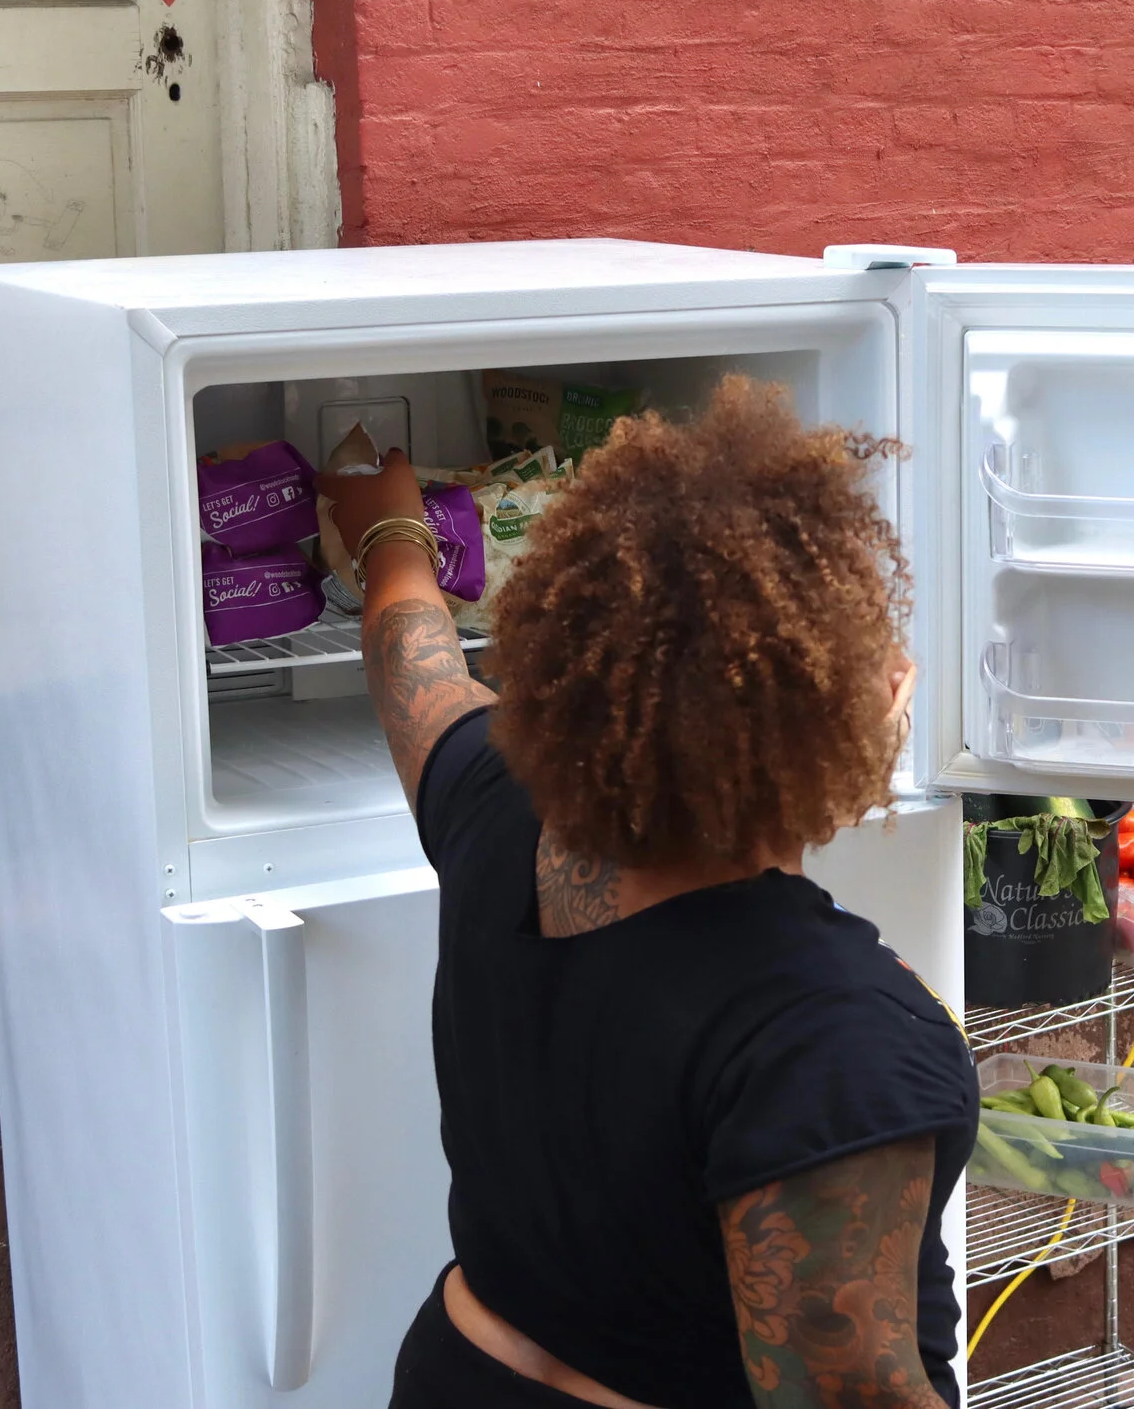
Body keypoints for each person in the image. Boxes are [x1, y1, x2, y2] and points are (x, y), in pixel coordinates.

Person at [321, 376, 976, 1409]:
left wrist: (390, 533)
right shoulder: (831, 1036)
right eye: (871, 659)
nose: (899, 667)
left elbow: (418, 667)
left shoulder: (497, 806)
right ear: (824, 726)